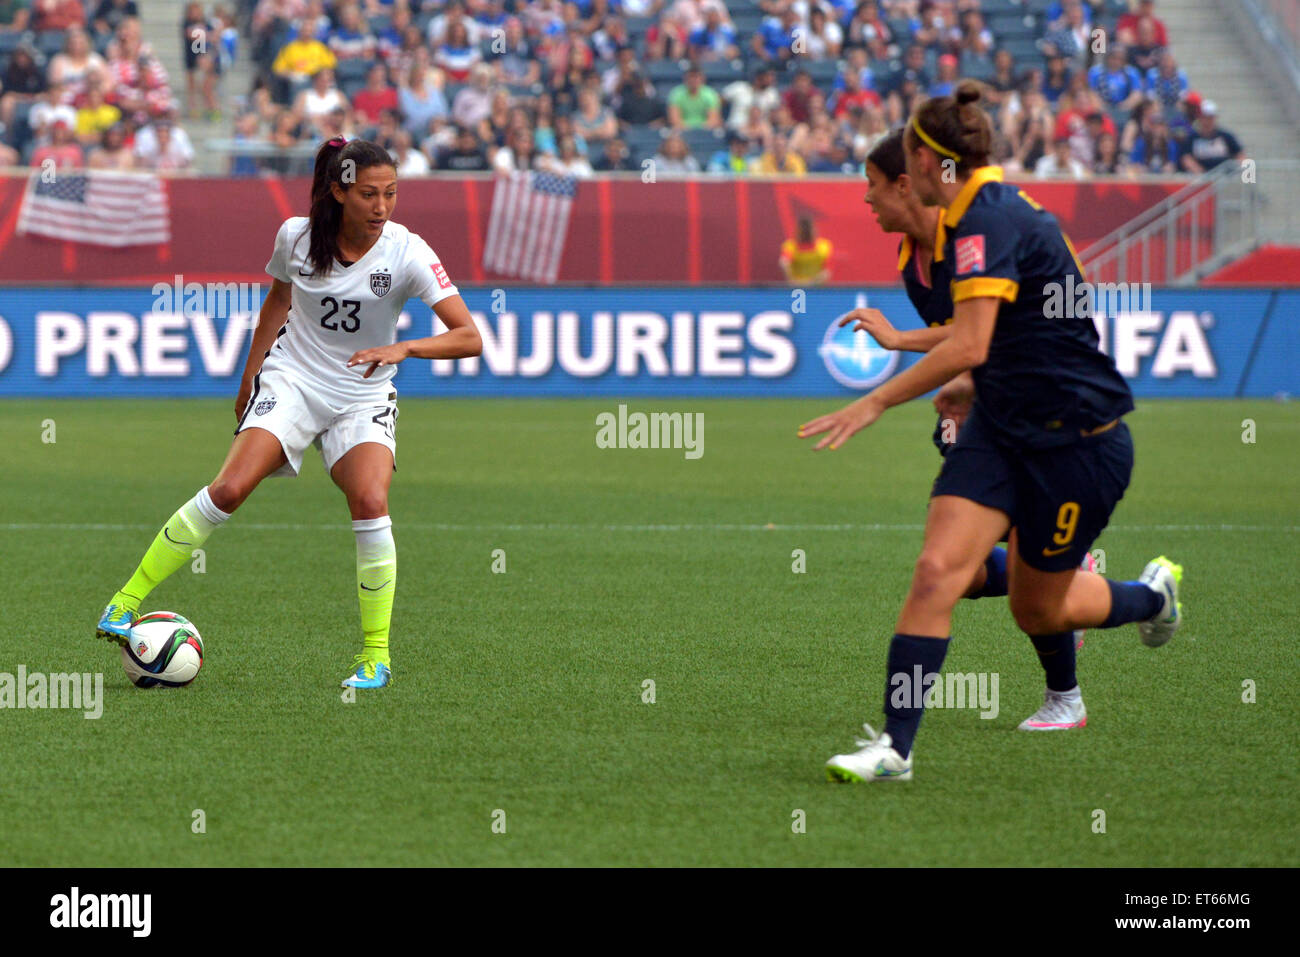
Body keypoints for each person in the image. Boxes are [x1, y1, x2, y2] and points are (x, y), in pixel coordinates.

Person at [800, 84, 1184, 781]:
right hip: (1001, 428)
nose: (875, 192)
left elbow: (973, 342)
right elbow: (984, 340)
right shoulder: (960, 223)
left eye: (899, 161)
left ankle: (1152, 598)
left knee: (1039, 607)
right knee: (936, 572)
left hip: (1075, 438)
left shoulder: (986, 220)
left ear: (924, 162)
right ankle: (895, 747)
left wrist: (876, 401)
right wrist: (959, 379)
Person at [96, 138, 484, 690]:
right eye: (369, 194)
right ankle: (123, 602)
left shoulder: (408, 251)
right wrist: (250, 375)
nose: (382, 207)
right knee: (228, 490)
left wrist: (404, 348)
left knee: (370, 500)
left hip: (364, 394)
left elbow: (470, 337)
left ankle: (376, 656)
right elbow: (277, 302)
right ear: (339, 191)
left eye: (391, 193)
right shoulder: (295, 238)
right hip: (294, 380)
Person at [778, 217, 831, 284]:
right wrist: (792, 280)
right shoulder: (790, 246)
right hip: (796, 288)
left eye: (808, 229)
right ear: (798, 231)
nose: (806, 232)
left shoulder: (823, 247)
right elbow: (783, 262)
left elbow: (827, 272)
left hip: (817, 287)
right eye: (803, 230)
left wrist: (812, 283)